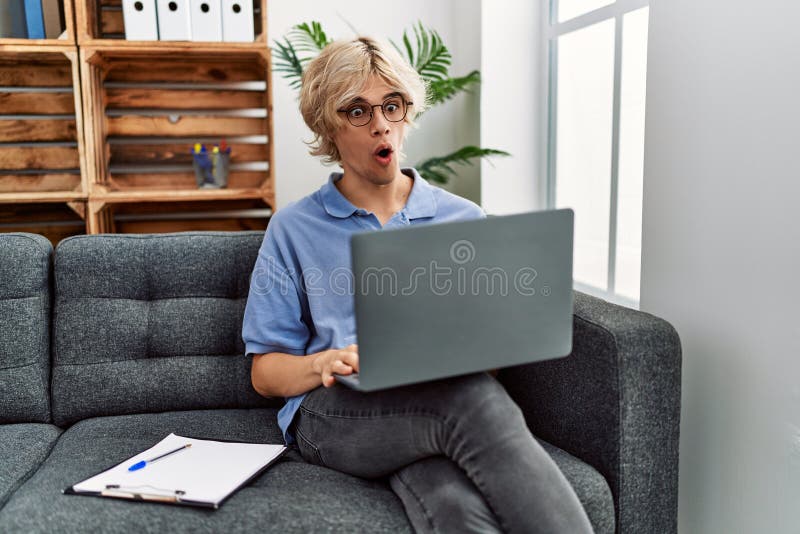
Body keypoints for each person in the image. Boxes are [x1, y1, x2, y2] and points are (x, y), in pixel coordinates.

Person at [242, 36, 593, 534]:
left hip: (423, 406)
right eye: (357, 111)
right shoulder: (294, 228)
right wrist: (324, 361)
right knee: (471, 401)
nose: (381, 123)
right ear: (328, 127)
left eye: (392, 105)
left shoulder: (463, 219)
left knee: (453, 505)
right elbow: (265, 374)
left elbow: (487, 358)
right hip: (333, 413)